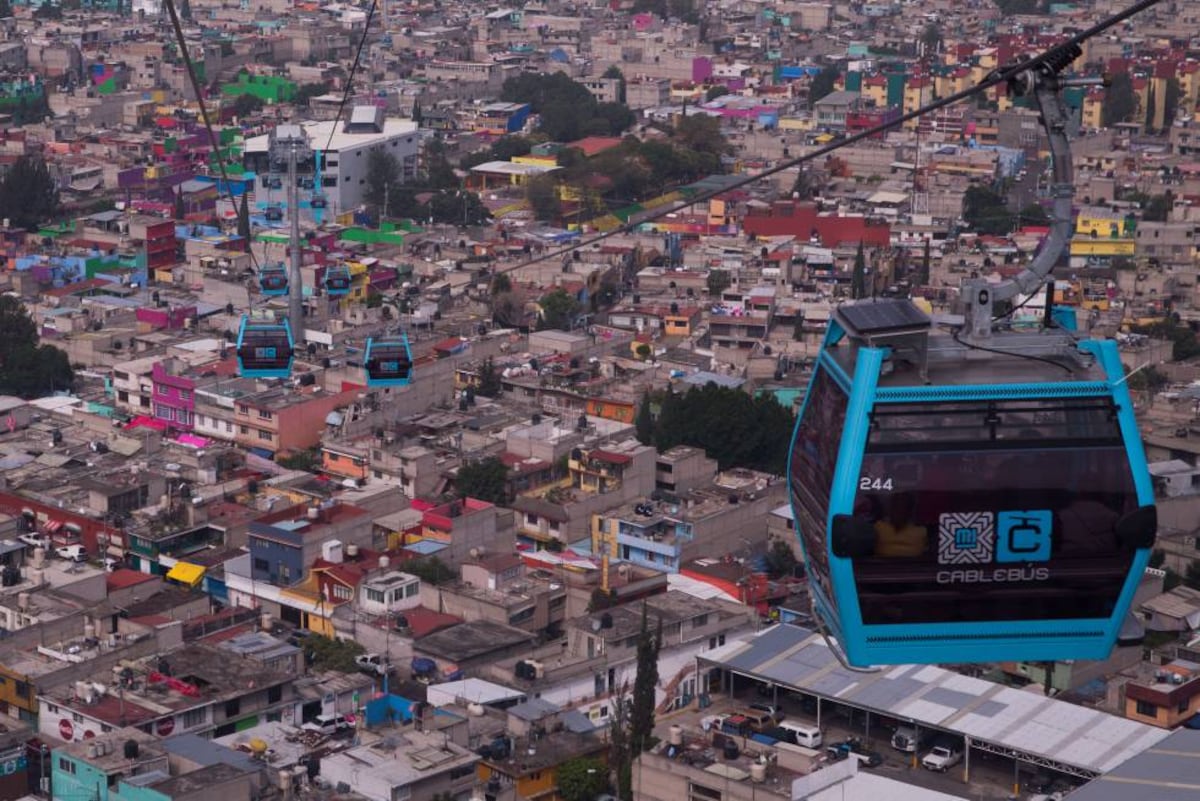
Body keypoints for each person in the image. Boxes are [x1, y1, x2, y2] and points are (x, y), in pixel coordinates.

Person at [873, 492, 928, 557]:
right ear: (890, 508)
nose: (899, 510)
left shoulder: (921, 531)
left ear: (910, 511)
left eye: (903, 506)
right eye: (896, 506)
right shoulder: (878, 528)